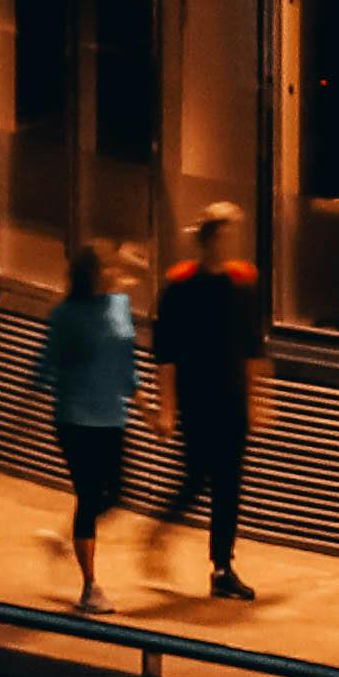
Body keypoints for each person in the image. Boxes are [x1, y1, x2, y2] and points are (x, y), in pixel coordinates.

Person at [150, 198, 268, 602]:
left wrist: (259, 400)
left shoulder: (242, 283)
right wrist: (166, 407)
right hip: (197, 397)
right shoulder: (180, 287)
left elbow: (254, 346)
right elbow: (164, 353)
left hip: (232, 395)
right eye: (230, 231)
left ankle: (222, 567)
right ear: (213, 237)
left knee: (229, 482)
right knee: (198, 474)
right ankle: (161, 528)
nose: (235, 239)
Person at [31, 241, 135, 611]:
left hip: (112, 417)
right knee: (90, 496)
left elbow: (126, 367)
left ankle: (62, 541)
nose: (110, 274)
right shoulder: (67, 315)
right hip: (74, 418)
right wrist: (26, 408)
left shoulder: (120, 307)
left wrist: (148, 408)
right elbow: (46, 365)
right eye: (104, 268)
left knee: (117, 495)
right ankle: (90, 586)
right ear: (89, 274)